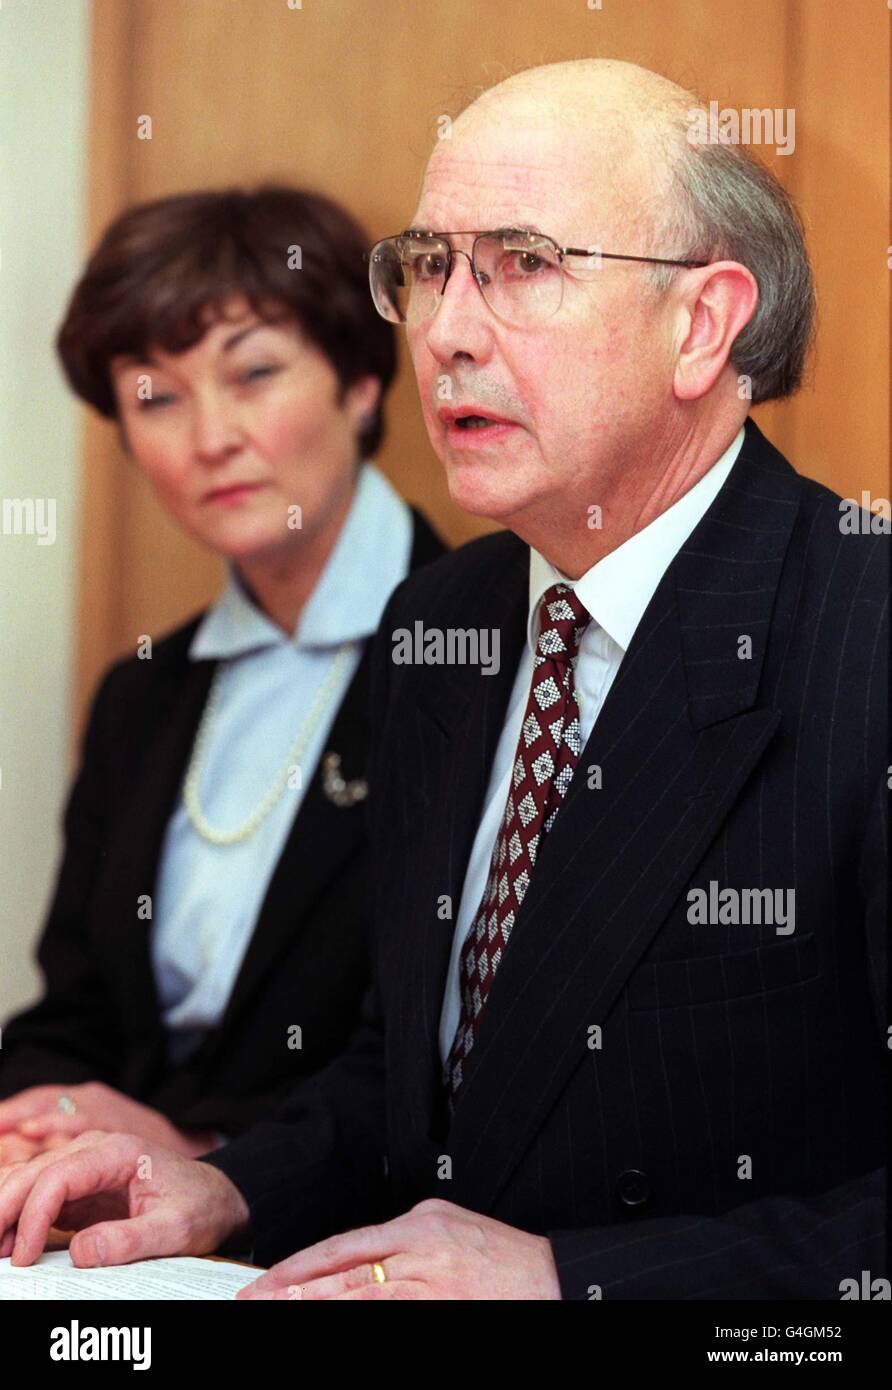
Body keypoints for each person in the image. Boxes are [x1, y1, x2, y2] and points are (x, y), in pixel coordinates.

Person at [0, 61, 886, 1301]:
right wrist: (230, 1182)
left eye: (523, 263)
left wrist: (566, 1279)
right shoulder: (445, 621)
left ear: (701, 325)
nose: (448, 331)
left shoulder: (862, 626)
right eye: (428, 268)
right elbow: (414, 1076)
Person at [0, 186, 443, 1165]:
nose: (210, 438)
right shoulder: (142, 693)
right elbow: (71, 1016)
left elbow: (463, 1056)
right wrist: (41, 1117)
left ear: (360, 382)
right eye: (157, 397)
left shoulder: (487, 650)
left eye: (253, 374)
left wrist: (204, 1149)